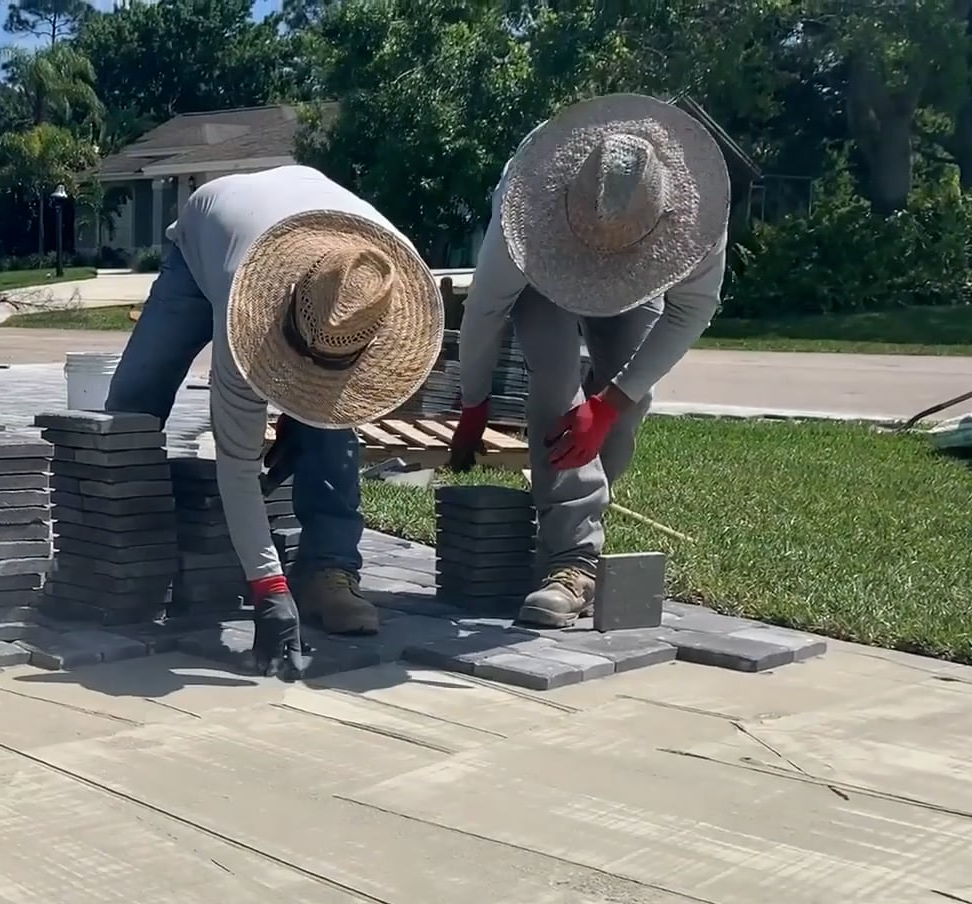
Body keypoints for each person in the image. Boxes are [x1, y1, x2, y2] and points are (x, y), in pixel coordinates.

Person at [104, 166, 444, 677]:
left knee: (332, 425)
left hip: (307, 219)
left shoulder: (381, 279)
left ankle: (328, 570)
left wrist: (305, 408)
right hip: (208, 238)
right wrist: (268, 588)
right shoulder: (242, 304)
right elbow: (237, 464)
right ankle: (115, 548)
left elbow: (331, 355)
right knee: (136, 398)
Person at [450, 94, 730, 628]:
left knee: (630, 398)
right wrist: (474, 402)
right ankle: (573, 561)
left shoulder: (695, 216)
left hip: (640, 263)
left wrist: (609, 404)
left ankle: (572, 528)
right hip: (546, 264)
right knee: (557, 385)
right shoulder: (523, 212)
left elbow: (692, 310)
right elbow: (485, 312)